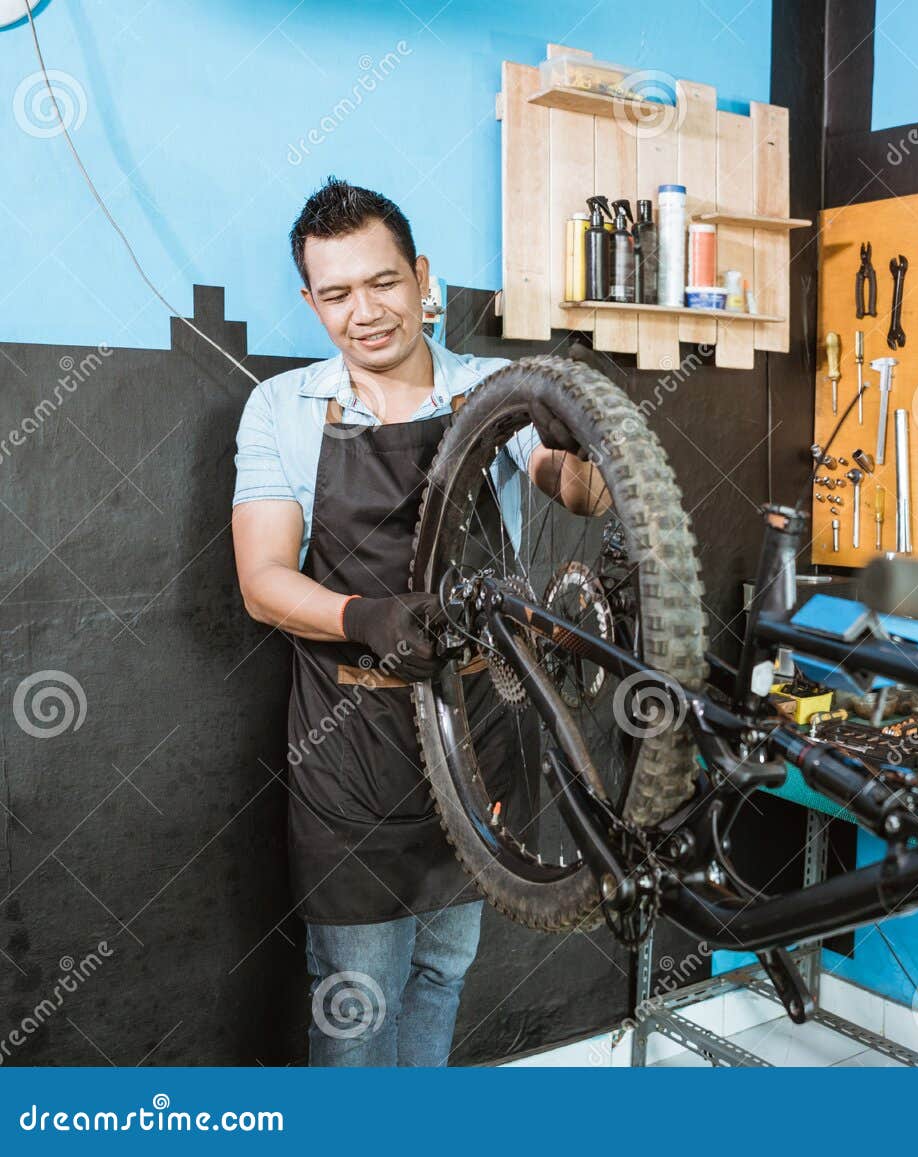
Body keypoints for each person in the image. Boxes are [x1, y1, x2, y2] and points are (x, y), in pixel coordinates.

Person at [230, 178, 606, 1065]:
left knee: (442, 972)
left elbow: (575, 489)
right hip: (352, 742)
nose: (364, 312)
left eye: (383, 282)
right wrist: (364, 614)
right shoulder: (283, 410)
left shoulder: (497, 393)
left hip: (479, 735)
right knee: (358, 997)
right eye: (336, 293)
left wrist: (592, 440)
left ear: (421, 275)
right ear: (310, 301)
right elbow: (261, 581)